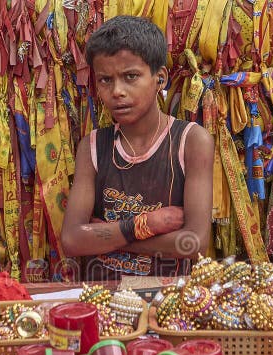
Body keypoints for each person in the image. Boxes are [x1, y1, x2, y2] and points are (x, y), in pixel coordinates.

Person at [60, 15, 214, 280]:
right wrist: (149, 225)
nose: (117, 91)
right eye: (106, 80)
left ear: (160, 79)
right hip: (103, 298)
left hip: (166, 299)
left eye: (130, 76)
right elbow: (73, 240)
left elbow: (194, 243)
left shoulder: (191, 141)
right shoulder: (93, 146)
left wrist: (107, 235)